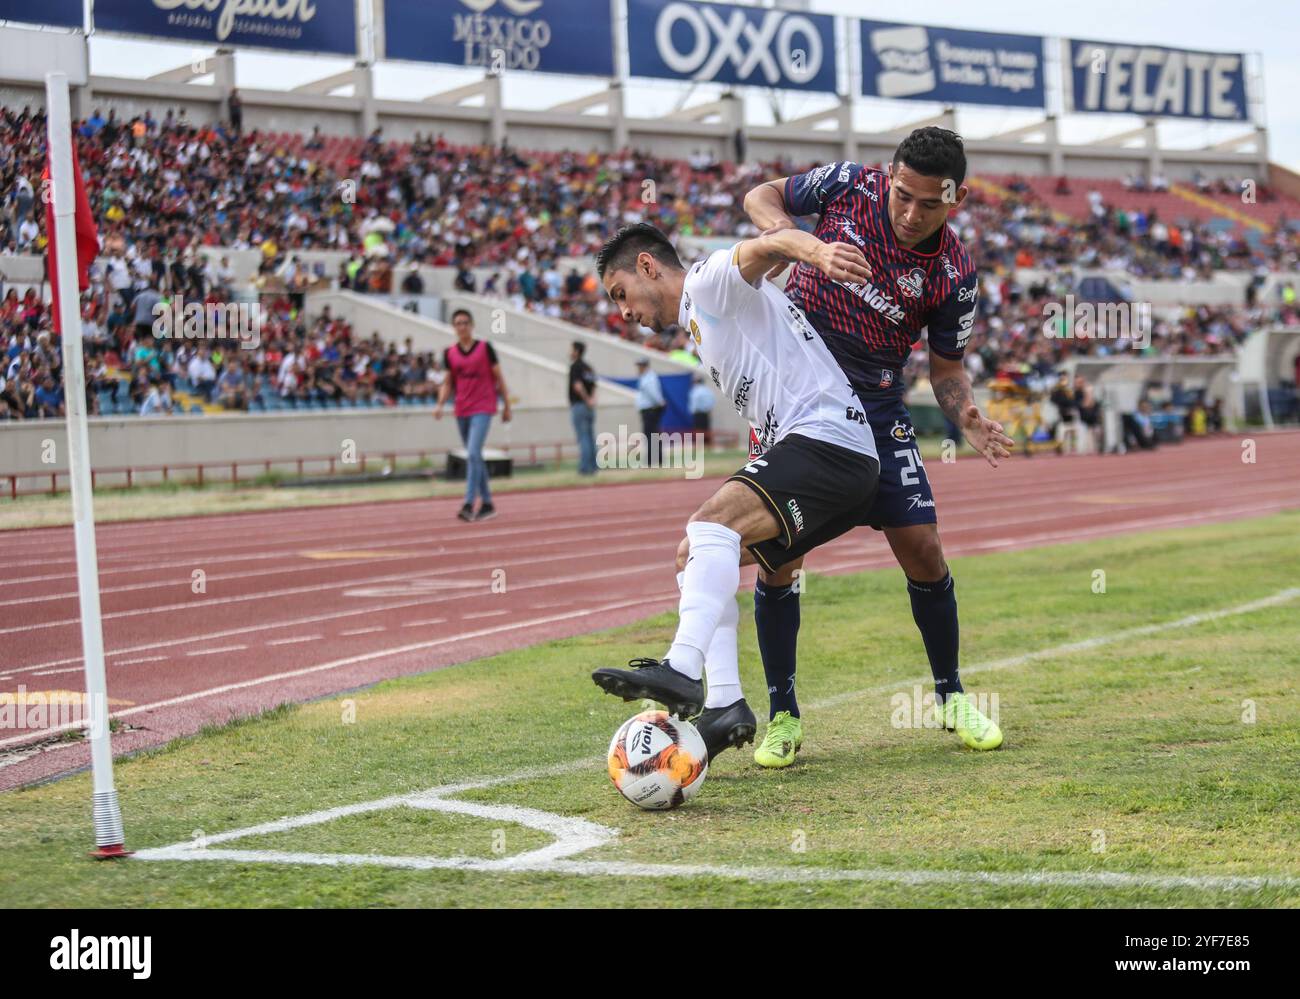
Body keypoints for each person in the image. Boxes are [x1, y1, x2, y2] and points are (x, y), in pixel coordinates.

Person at [741, 127, 1011, 760]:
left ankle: (950, 697)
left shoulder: (955, 273)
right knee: (778, 558)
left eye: (930, 204)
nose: (911, 214)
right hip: (796, 399)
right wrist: (808, 247)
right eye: (903, 196)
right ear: (887, 179)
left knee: (922, 546)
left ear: (958, 199)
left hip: (877, 404)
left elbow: (946, 370)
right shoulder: (849, 186)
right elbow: (761, 196)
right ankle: (783, 714)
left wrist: (966, 415)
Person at [589, 223, 880, 762]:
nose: (623, 312)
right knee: (692, 552)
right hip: (832, 458)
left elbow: (771, 242)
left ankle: (681, 666)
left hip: (829, 440)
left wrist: (817, 253)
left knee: (710, 525)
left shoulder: (705, 286)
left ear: (649, 266)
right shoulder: (702, 317)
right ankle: (726, 705)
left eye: (621, 293)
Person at [435, 309, 512, 521]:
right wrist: (440, 404)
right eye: (458, 323)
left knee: (472, 452)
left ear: (472, 325)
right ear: (454, 327)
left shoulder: (485, 348)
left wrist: (507, 405)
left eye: (465, 323)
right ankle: (487, 503)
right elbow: (448, 382)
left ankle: (469, 503)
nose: (462, 327)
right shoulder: (449, 353)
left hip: (484, 406)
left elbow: (499, 378)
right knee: (475, 456)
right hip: (462, 408)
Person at [568, 340, 597, 476]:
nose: (569, 352)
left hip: (580, 405)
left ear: (577, 351)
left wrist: (586, 399)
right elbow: (594, 385)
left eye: (571, 349)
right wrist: (592, 400)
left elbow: (578, 386)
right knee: (590, 436)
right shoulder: (588, 367)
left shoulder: (576, 367)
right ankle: (594, 466)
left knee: (583, 437)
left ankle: (585, 468)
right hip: (590, 406)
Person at [634, 357, 664, 445]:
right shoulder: (645, 377)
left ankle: (654, 457)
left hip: (650, 409)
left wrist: (660, 402)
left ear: (645, 366)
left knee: (652, 434)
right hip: (648, 409)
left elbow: (653, 392)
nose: (638, 368)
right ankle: (654, 456)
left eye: (640, 366)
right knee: (651, 433)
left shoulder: (649, 377)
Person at [688, 371, 714, 440]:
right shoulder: (707, 390)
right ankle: (707, 445)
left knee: (699, 431)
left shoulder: (695, 391)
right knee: (706, 429)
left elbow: (694, 403)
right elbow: (712, 401)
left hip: (698, 413)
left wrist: (692, 411)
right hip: (706, 413)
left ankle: (700, 445)